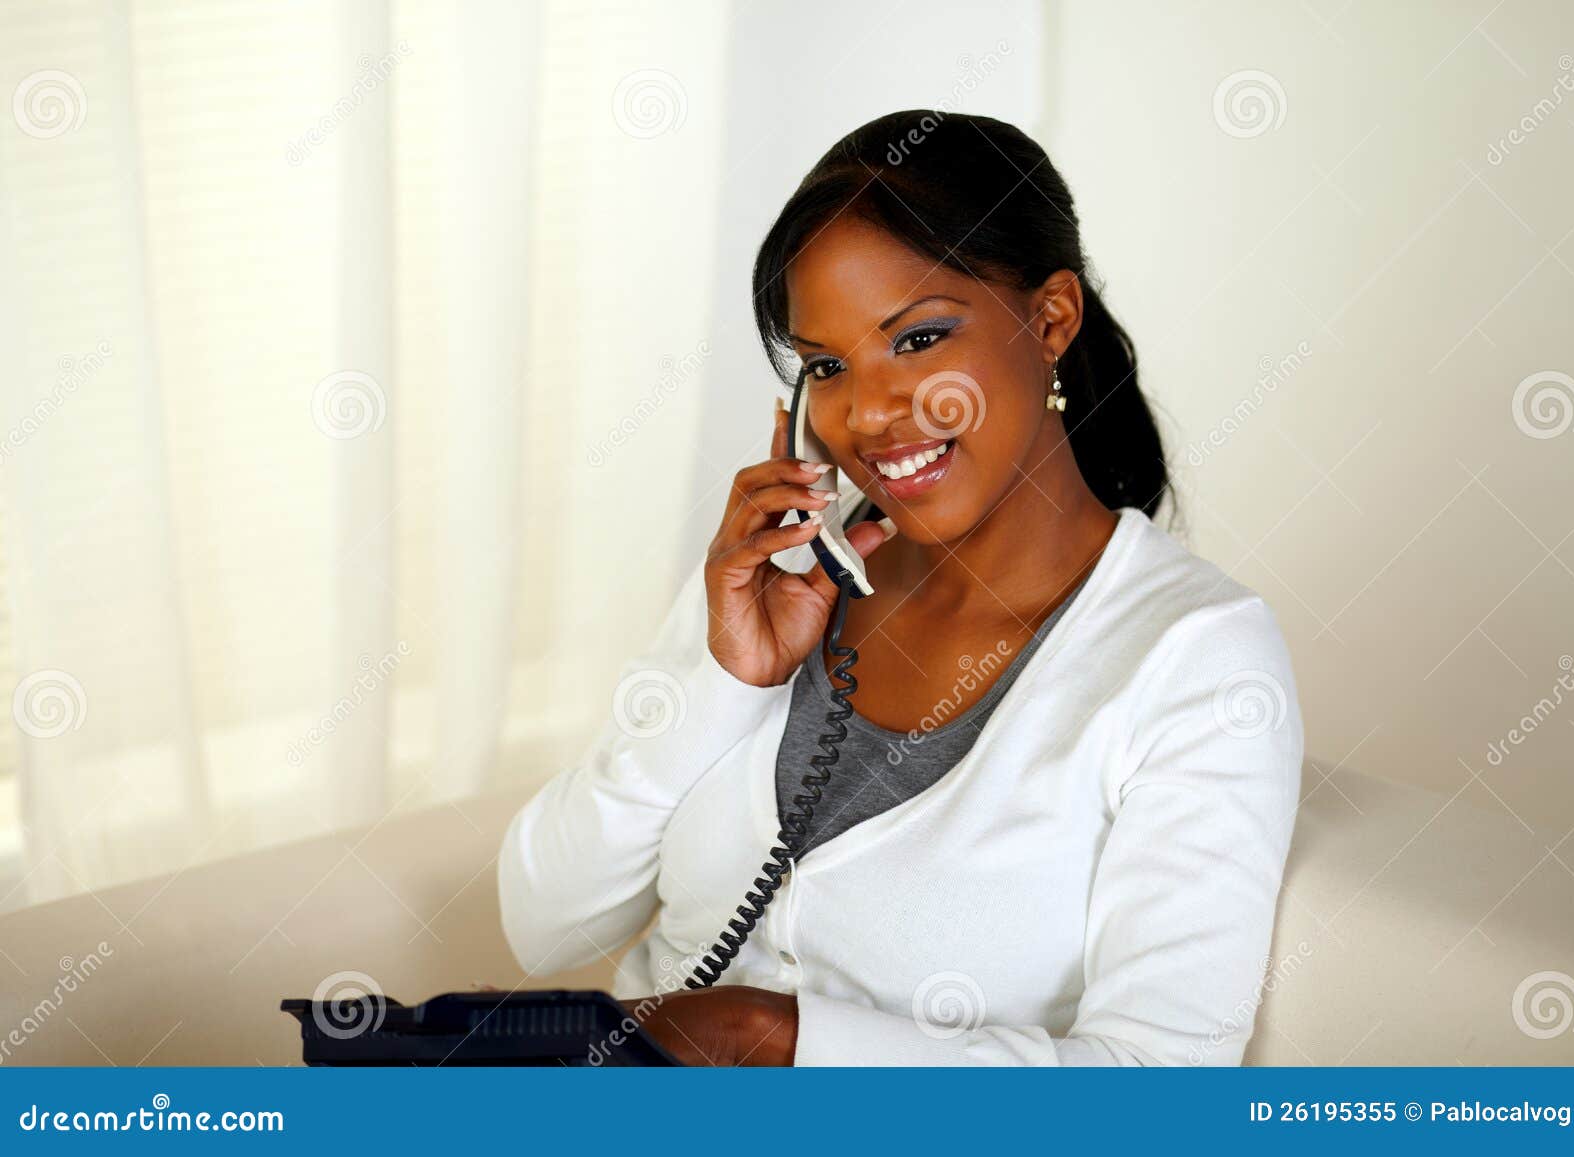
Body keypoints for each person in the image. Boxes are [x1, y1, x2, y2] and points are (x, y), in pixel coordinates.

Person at [497, 110, 1303, 1066]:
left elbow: (1160, 1091)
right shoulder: (779, 581)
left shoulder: (1195, 657)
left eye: (917, 339)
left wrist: (778, 1039)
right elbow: (544, 926)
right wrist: (723, 681)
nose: (869, 413)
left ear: (1050, 319)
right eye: (827, 366)